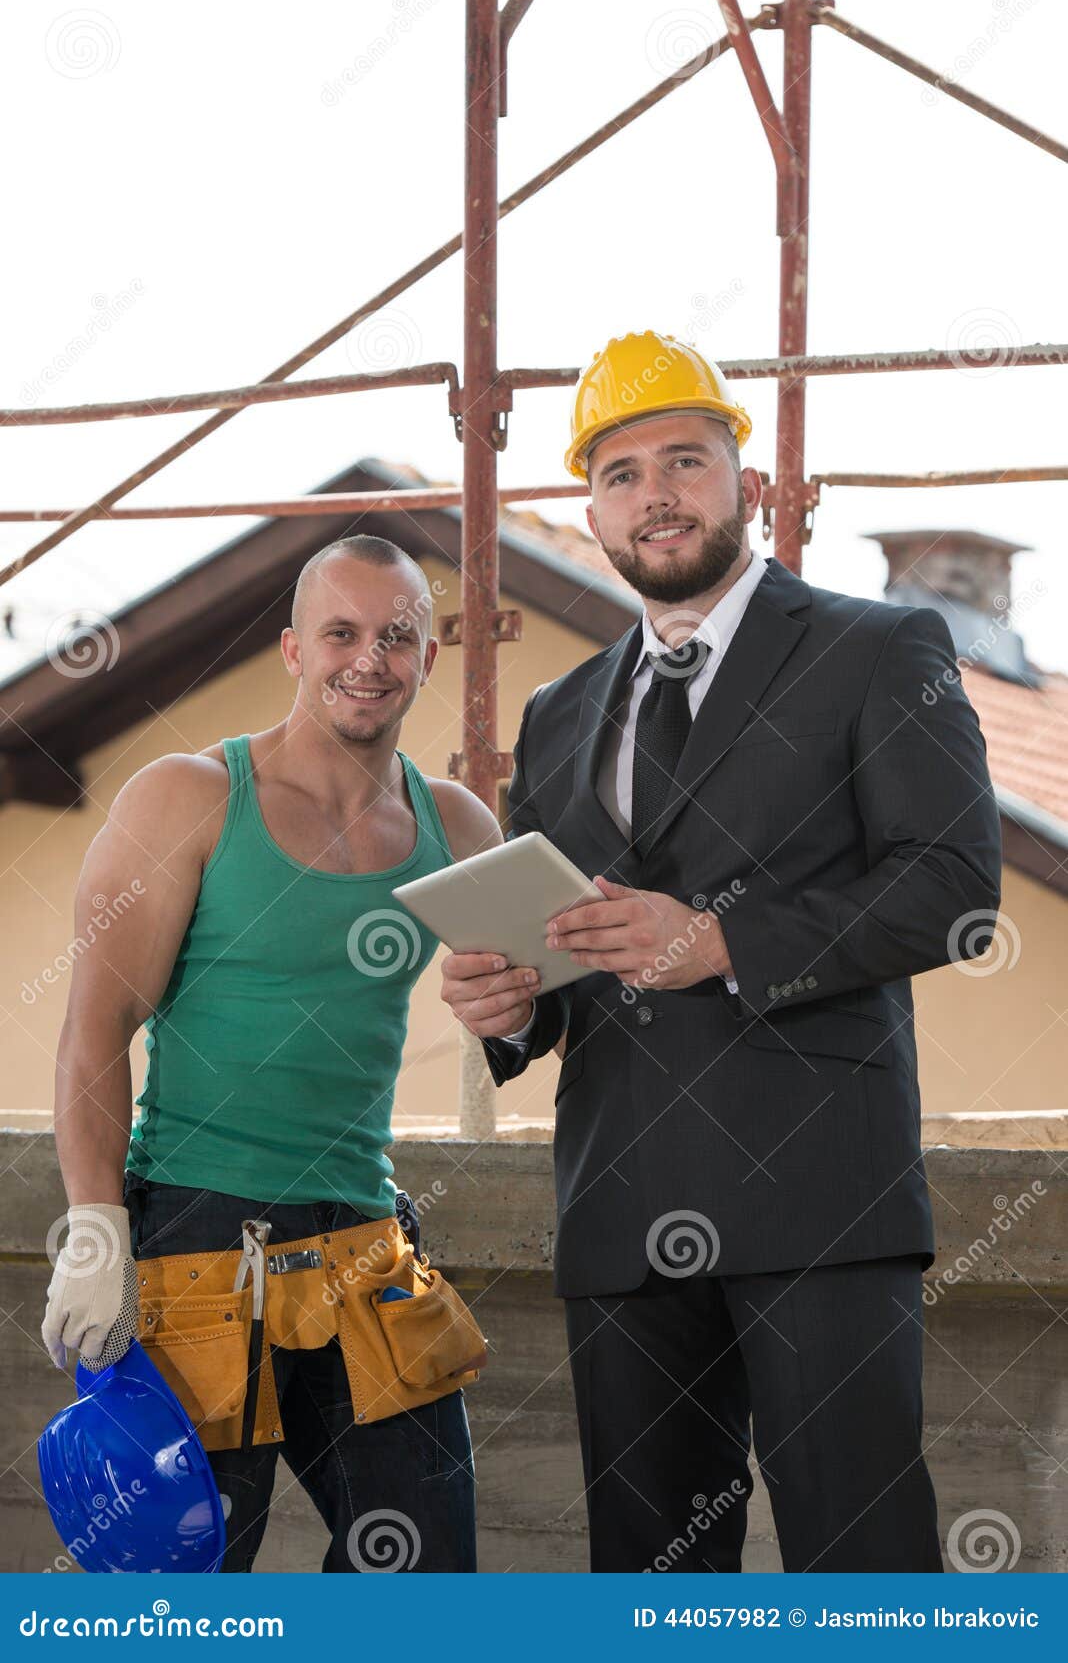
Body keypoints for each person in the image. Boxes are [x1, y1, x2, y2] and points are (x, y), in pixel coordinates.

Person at [441, 330, 1002, 1573]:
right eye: (622, 473)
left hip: (819, 1204)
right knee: (650, 1591)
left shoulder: (878, 649)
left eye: (684, 461)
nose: (657, 495)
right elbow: (570, 954)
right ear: (593, 509)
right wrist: (513, 1003)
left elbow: (954, 888)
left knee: (864, 1577)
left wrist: (721, 942)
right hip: (622, 1209)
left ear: (743, 480)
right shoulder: (557, 713)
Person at [41, 534, 511, 1573]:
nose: (368, 659)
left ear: (428, 657)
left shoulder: (458, 824)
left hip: (367, 1245)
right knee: (178, 1591)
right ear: (295, 649)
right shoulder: (190, 797)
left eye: (396, 637)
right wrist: (96, 1229)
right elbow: (94, 1028)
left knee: (426, 1579)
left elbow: (533, 1007)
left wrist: (525, 1002)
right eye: (341, 633)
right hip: (198, 1238)